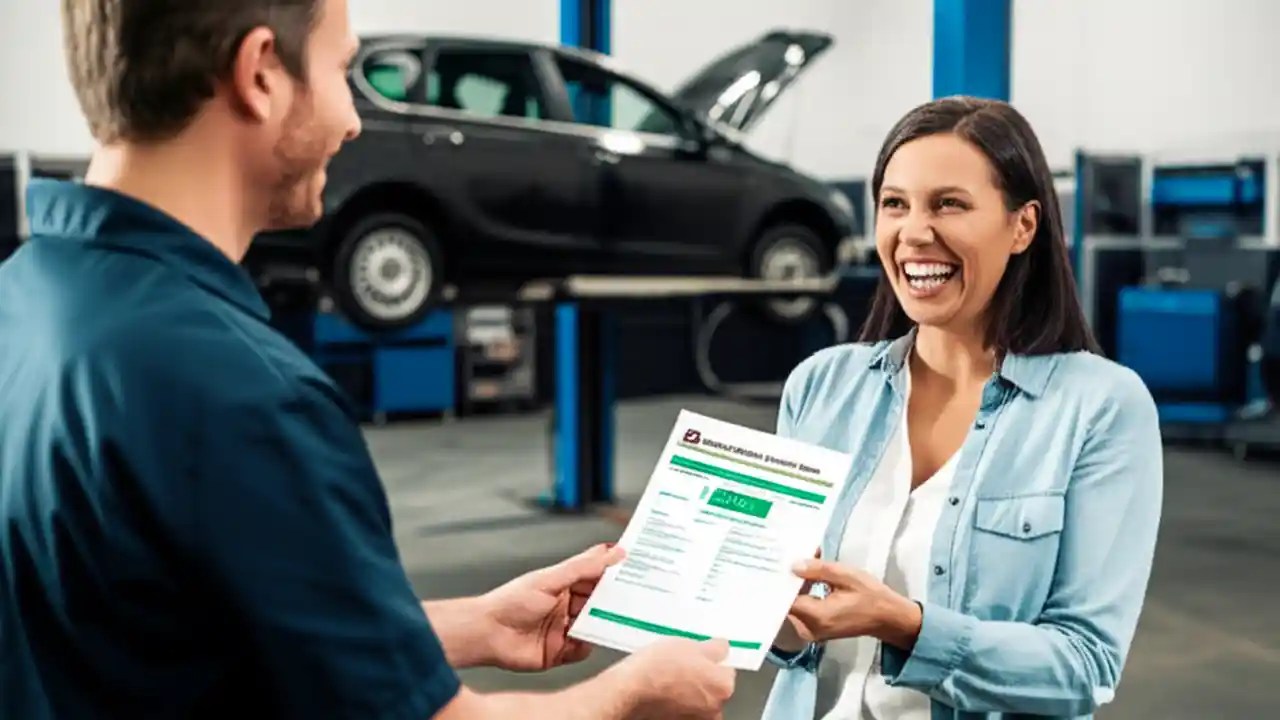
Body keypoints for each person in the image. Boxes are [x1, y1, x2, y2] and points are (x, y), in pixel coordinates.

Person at [0, 1, 735, 718]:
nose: (352, 120)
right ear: (260, 74)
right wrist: (628, 696)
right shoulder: (243, 394)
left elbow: (184, 628)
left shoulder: (25, 301)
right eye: (341, 71)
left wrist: (477, 624)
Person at [758, 97, 1164, 720]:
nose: (915, 232)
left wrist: (905, 625)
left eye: (949, 204)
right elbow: (788, 632)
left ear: (1022, 226)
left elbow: (1084, 666)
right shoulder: (821, 386)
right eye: (895, 204)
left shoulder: (1100, 407)